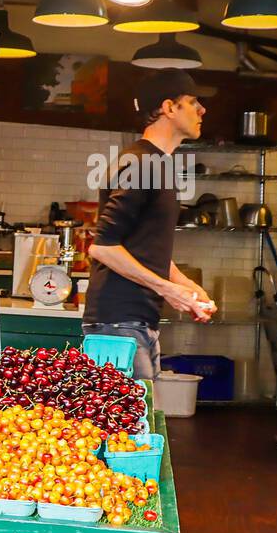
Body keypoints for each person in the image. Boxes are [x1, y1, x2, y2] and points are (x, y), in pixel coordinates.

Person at [83, 69, 216, 379]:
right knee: (128, 425)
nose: (202, 110)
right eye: (193, 102)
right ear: (169, 108)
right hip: (118, 324)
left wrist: (187, 288)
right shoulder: (141, 164)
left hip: (135, 323)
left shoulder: (156, 163)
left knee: (141, 421)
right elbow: (102, 247)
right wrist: (168, 290)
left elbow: (144, 247)